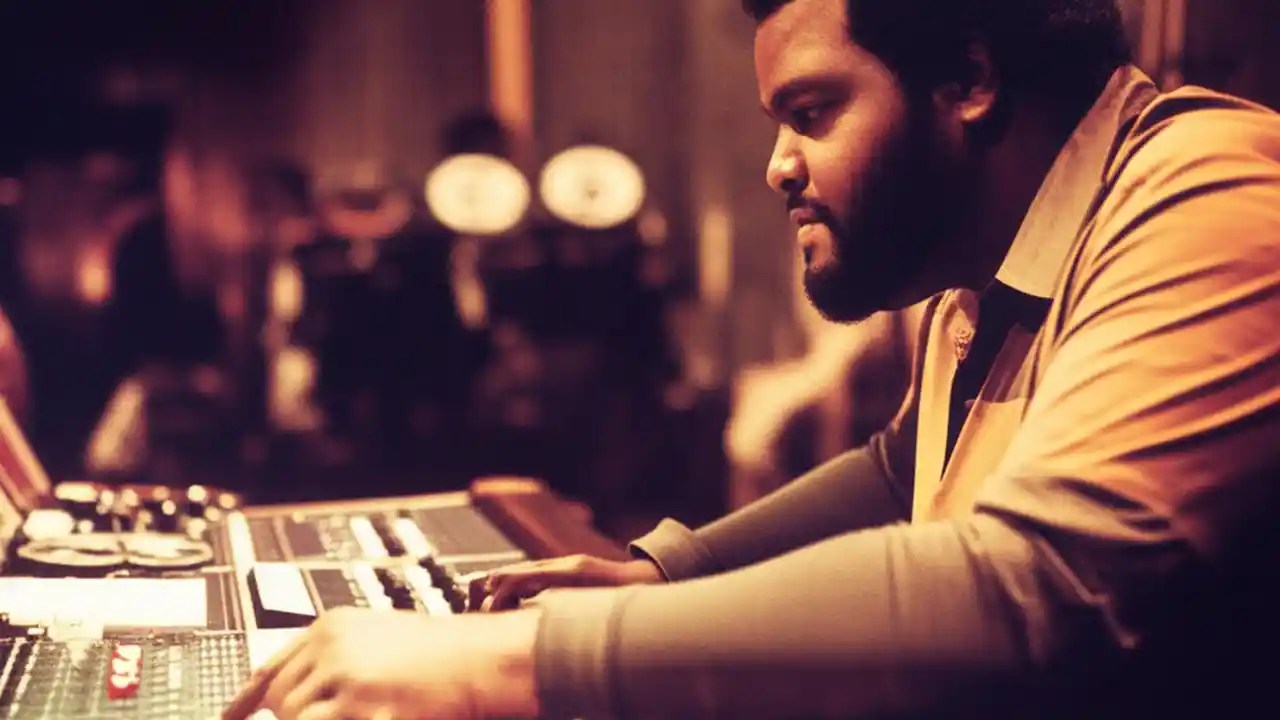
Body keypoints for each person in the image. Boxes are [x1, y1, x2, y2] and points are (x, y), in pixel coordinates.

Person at [224, 0, 1280, 718]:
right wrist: (661, 570)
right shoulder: (987, 263)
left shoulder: (1212, 194)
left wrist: (506, 666)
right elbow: (899, 467)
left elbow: (1042, 585)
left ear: (966, 77)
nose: (777, 166)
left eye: (810, 114)